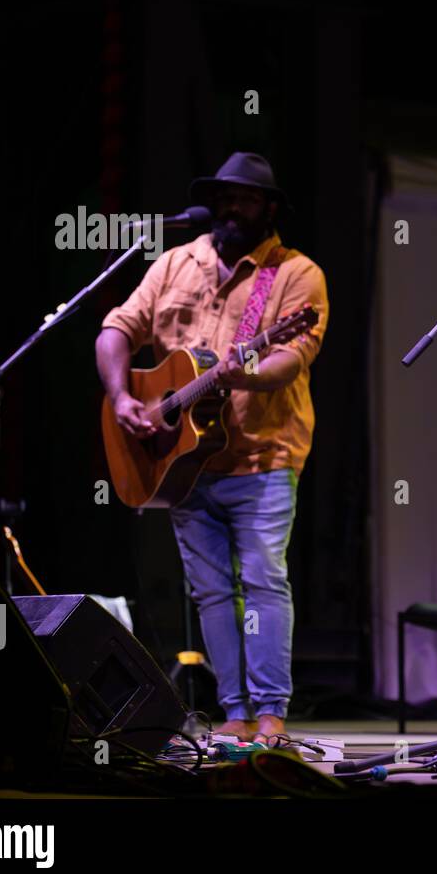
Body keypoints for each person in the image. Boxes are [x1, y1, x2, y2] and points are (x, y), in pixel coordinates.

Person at [95, 152, 328, 745]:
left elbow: (285, 361)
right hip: (184, 462)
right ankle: (234, 713)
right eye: (223, 196)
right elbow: (116, 329)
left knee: (262, 580)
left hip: (262, 457)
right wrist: (123, 397)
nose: (229, 208)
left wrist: (238, 374)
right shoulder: (176, 262)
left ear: (269, 208)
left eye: (244, 199)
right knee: (211, 590)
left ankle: (270, 712)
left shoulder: (297, 275)